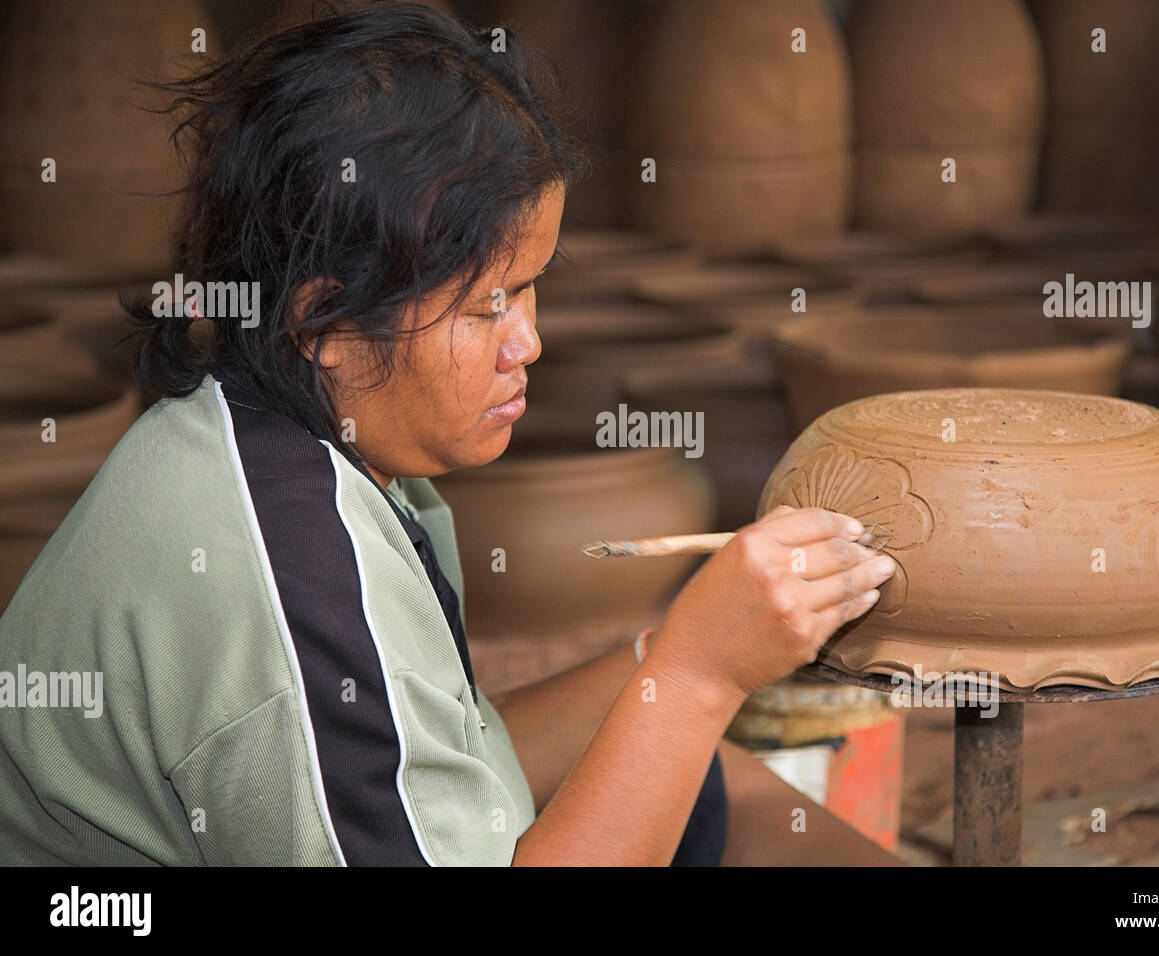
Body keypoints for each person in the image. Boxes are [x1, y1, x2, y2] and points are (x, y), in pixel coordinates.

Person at [0, 3, 897, 866]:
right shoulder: (291, 569)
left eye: (533, 283)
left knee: (711, 785)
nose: (530, 342)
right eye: (484, 306)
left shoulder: (293, 442)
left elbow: (443, 751)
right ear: (328, 324)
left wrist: (677, 650)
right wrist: (703, 674)